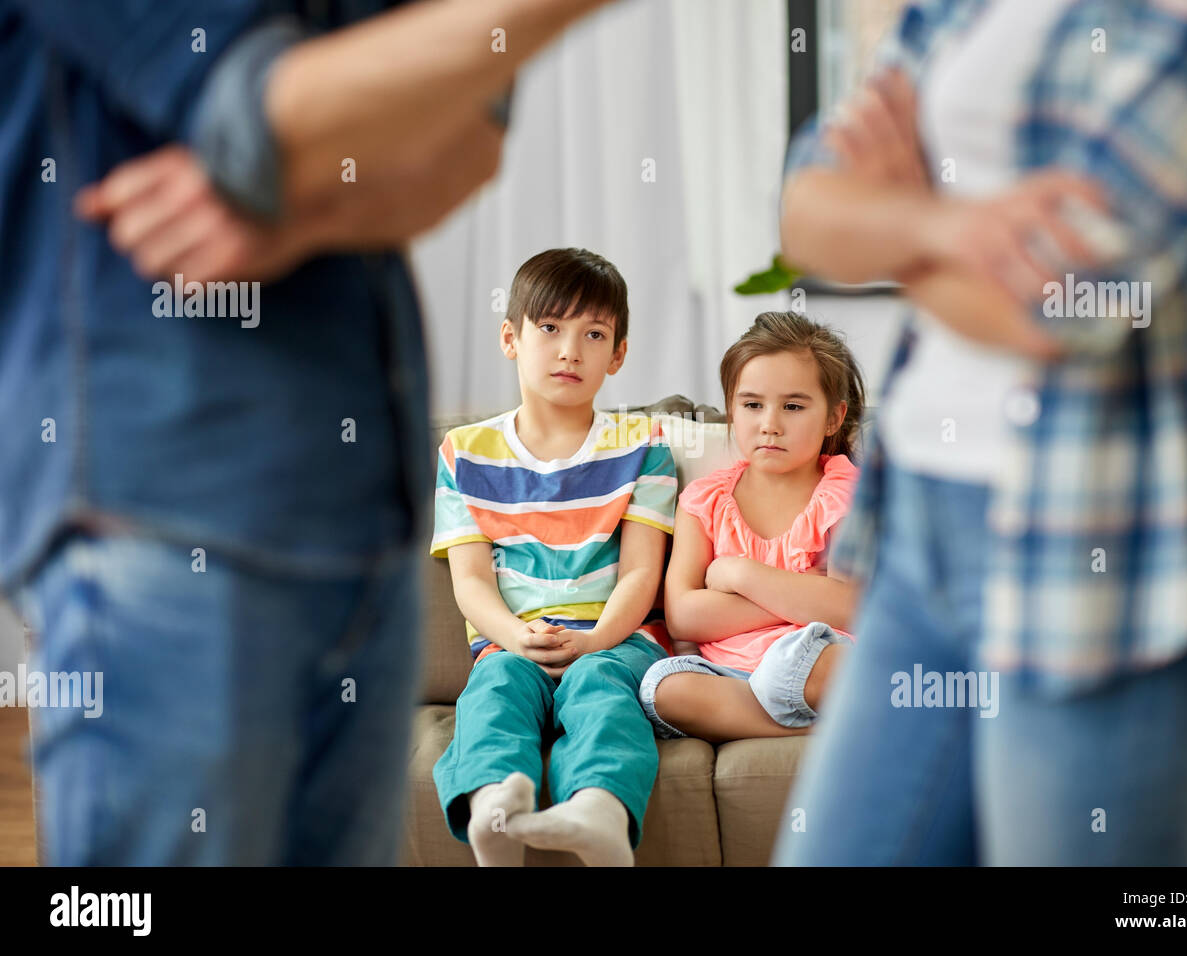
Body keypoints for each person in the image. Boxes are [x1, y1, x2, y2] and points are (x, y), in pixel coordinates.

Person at [0, 0, 619, 865]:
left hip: (363, 524)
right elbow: (258, 113)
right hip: (162, 506)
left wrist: (297, 209)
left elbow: (466, 142)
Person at [775, 0, 1187, 865]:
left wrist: (892, 216)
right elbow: (806, 214)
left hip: (1109, 552)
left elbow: (1062, 304)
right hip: (922, 530)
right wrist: (942, 225)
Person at [430, 248, 678, 867]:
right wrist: (516, 636)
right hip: (511, 641)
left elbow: (642, 573)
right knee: (494, 690)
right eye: (550, 329)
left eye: (593, 334)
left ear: (617, 353)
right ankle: (494, 804)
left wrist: (595, 640)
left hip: (615, 639)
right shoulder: (465, 452)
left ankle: (600, 810)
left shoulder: (643, 447)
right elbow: (471, 583)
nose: (570, 350)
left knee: (601, 691)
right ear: (512, 337)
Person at [638, 312, 863, 742]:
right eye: (752, 404)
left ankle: (813, 718)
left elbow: (849, 606)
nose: (770, 424)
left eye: (793, 406)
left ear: (833, 418)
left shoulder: (845, 491)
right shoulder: (705, 500)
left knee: (824, 665)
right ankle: (825, 731)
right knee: (661, 688)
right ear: (731, 411)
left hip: (813, 659)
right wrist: (801, 591)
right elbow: (683, 617)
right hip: (729, 674)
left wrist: (742, 575)